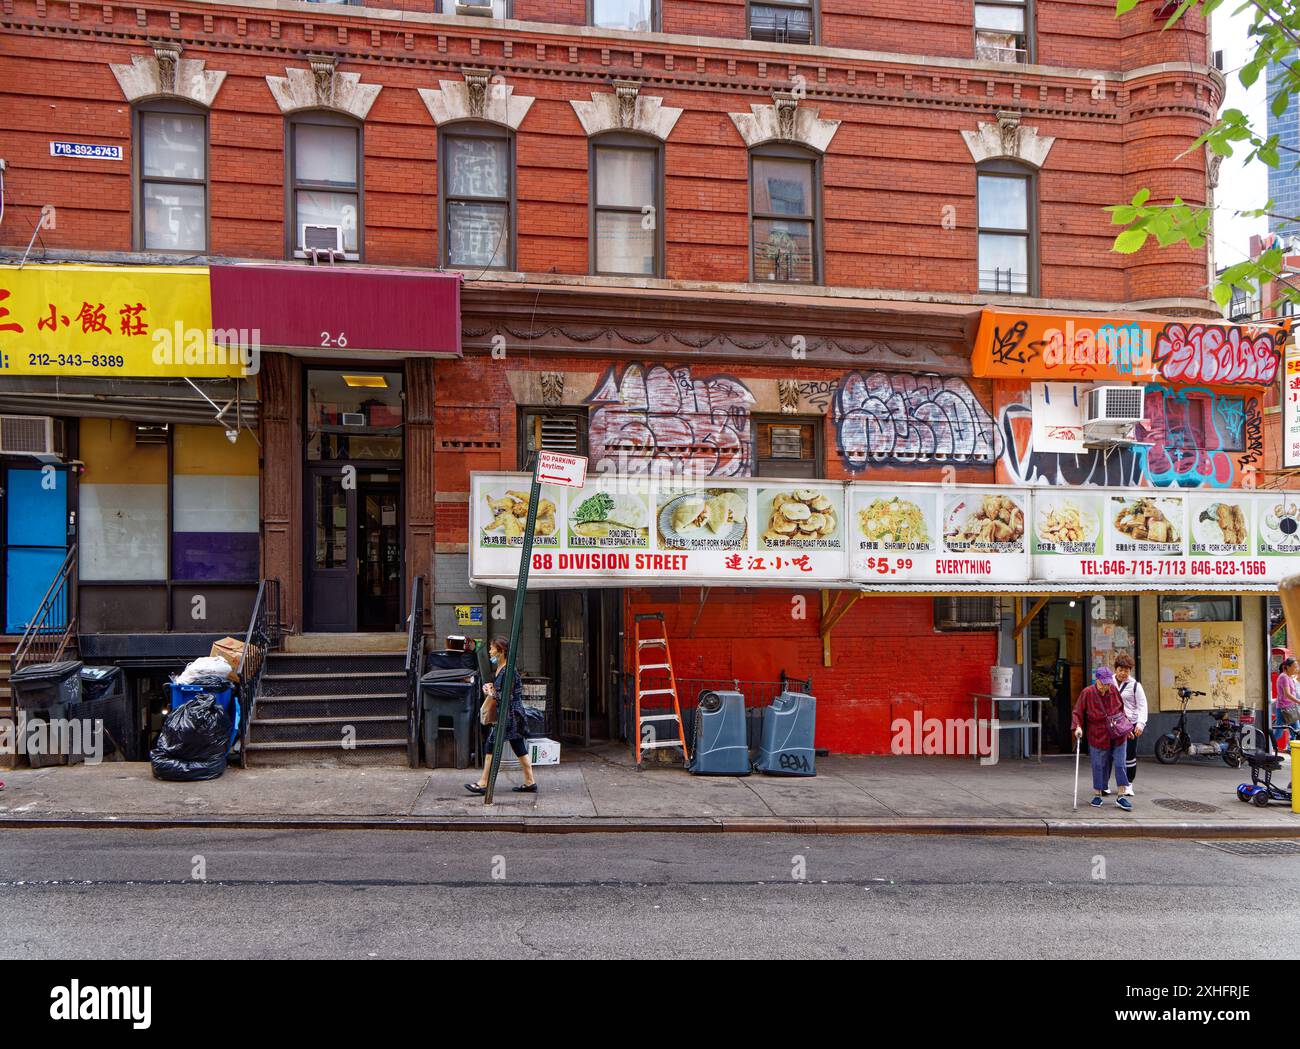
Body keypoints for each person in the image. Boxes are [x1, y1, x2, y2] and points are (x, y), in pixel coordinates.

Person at [465, 636, 537, 795]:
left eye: (492, 648)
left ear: (501, 651)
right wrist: (492, 688)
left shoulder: (508, 671)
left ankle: (483, 783)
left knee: (491, 744)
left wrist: (491, 692)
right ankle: (530, 781)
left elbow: (507, 697)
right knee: (518, 746)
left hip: (509, 715)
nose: (490, 651)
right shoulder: (502, 668)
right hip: (511, 714)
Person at [1072, 666, 1132, 811]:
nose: (1105, 686)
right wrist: (1077, 727)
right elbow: (1077, 712)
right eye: (1102, 683)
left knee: (1120, 764)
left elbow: (1121, 710)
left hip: (1117, 734)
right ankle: (1098, 794)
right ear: (1097, 680)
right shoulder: (1087, 693)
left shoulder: (1113, 690)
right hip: (1097, 734)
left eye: (1107, 683)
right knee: (1098, 765)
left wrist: (1127, 727)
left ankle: (1121, 796)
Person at [1112, 653, 1147, 797]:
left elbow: (1142, 706)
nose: (1123, 673)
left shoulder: (1135, 686)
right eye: (1121, 670)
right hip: (1113, 724)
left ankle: (1128, 784)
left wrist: (1140, 724)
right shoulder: (1109, 682)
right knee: (1110, 755)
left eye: (1126, 670)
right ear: (1115, 669)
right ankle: (1104, 784)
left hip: (1130, 724)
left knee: (1129, 756)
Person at [1276, 657, 1300, 731]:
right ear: (1288, 667)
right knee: (1279, 732)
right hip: (1284, 709)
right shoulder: (1284, 677)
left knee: (1296, 731)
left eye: (1297, 667)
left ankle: (1292, 743)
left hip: (1291, 708)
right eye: (1295, 667)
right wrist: (1299, 701)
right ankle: (1268, 742)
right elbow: (1287, 694)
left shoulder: (1289, 677)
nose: (1296, 669)